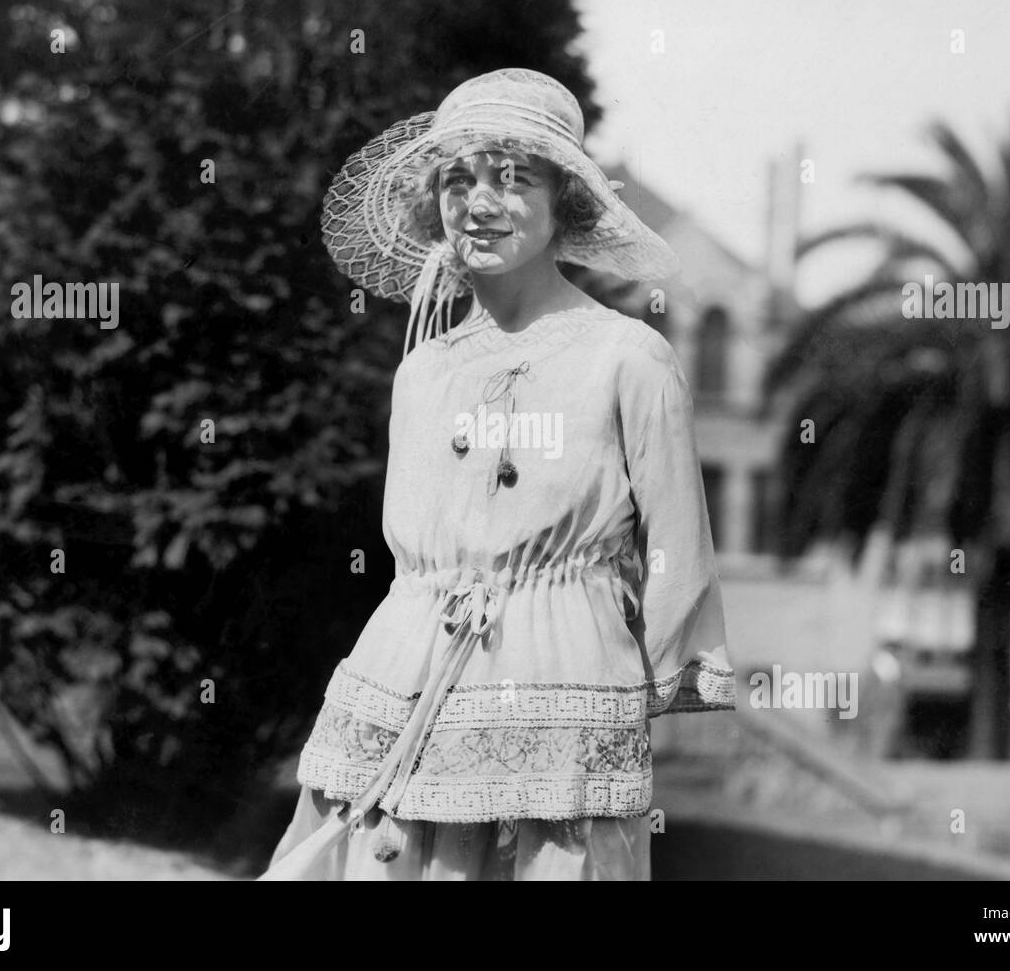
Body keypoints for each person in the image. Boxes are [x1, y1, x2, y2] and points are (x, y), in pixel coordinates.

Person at [260, 68, 734, 881]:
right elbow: (414, 563)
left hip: (561, 683)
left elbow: (677, 554)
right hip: (404, 679)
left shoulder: (628, 359)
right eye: (458, 180)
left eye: (513, 179)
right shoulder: (424, 372)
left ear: (566, 205)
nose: (479, 203)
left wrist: (639, 692)